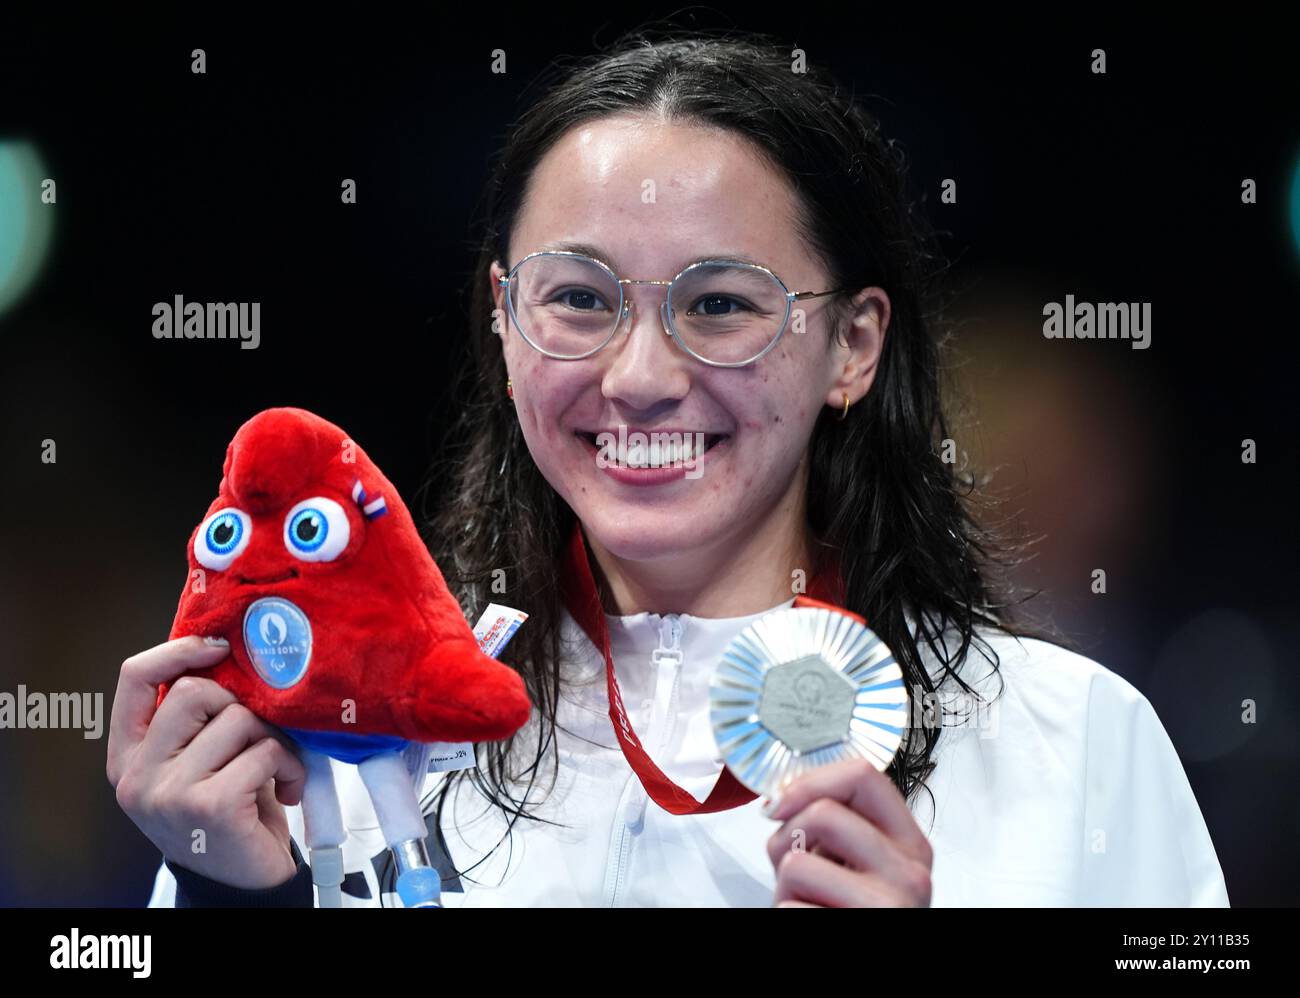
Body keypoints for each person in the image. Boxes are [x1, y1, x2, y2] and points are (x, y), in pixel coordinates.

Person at [109, 28, 1230, 908]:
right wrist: (225, 892)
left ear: (853, 345)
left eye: (721, 304)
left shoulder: (1071, 741)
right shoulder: (344, 742)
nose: (640, 374)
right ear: (502, 323)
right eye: (580, 299)